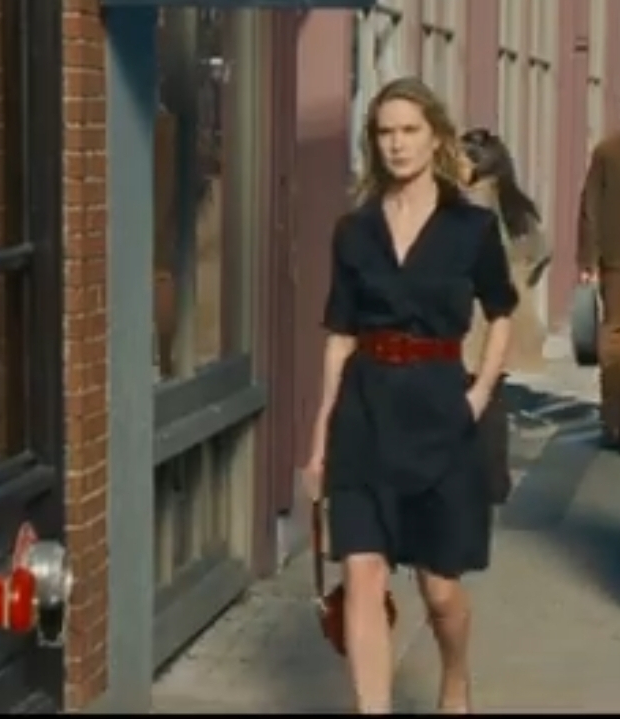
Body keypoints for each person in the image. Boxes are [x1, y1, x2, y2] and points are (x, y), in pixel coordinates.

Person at [302, 77, 518, 713]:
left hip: (439, 410)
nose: (396, 144)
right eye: (384, 132)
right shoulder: (354, 231)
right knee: (362, 573)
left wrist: (479, 393)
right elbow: (340, 336)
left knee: (440, 590)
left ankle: (456, 678)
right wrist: (320, 439)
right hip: (364, 411)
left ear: (435, 137)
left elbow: (501, 313)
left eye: (408, 131)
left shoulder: (471, 228)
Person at [459, 128, 550, 374]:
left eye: (461, 162)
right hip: (517, 311)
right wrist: (521, 276)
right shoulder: (513, 198)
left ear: (478, 165)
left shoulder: (476, 199)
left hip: (480, 315)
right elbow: (541, 251)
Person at [577, 130, 620, 446]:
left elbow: (589, 206)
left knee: (615, 336)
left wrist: (587, 261)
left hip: (615, 261)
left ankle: (614, 420)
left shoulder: (608, 149)